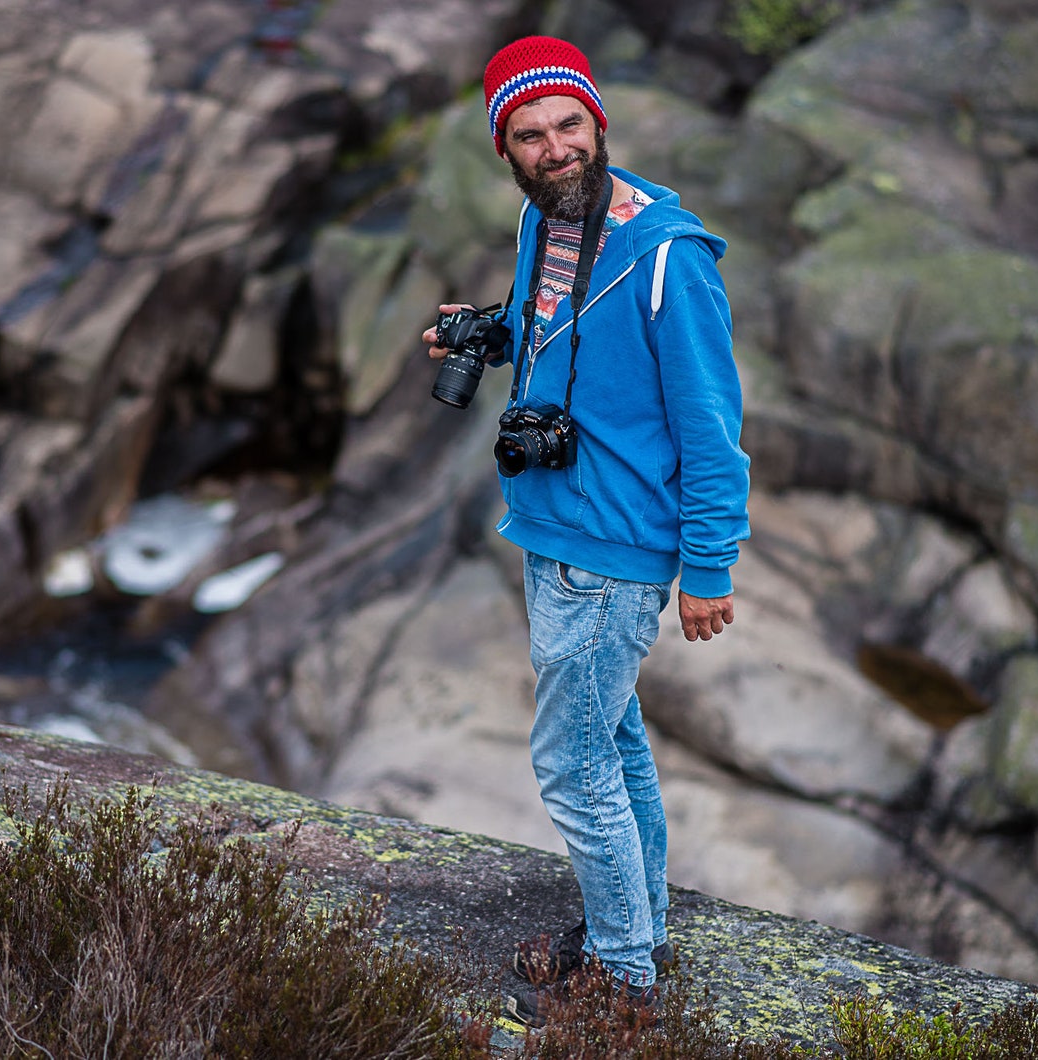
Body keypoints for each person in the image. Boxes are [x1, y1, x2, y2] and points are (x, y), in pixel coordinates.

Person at [422, 36, 750, 1026]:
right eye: (531, 133)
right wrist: (491, 329)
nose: (556, 147)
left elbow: (711, 424)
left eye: (570, 124)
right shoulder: (544, 219)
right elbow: (553, 326)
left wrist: (708, 564)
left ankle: (623, 979)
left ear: (599, 124)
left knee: (571, 765)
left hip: (611, 549)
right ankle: (635, 926)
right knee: (615, 741)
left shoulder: (668, 260)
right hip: (555, 526)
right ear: (504, 150)